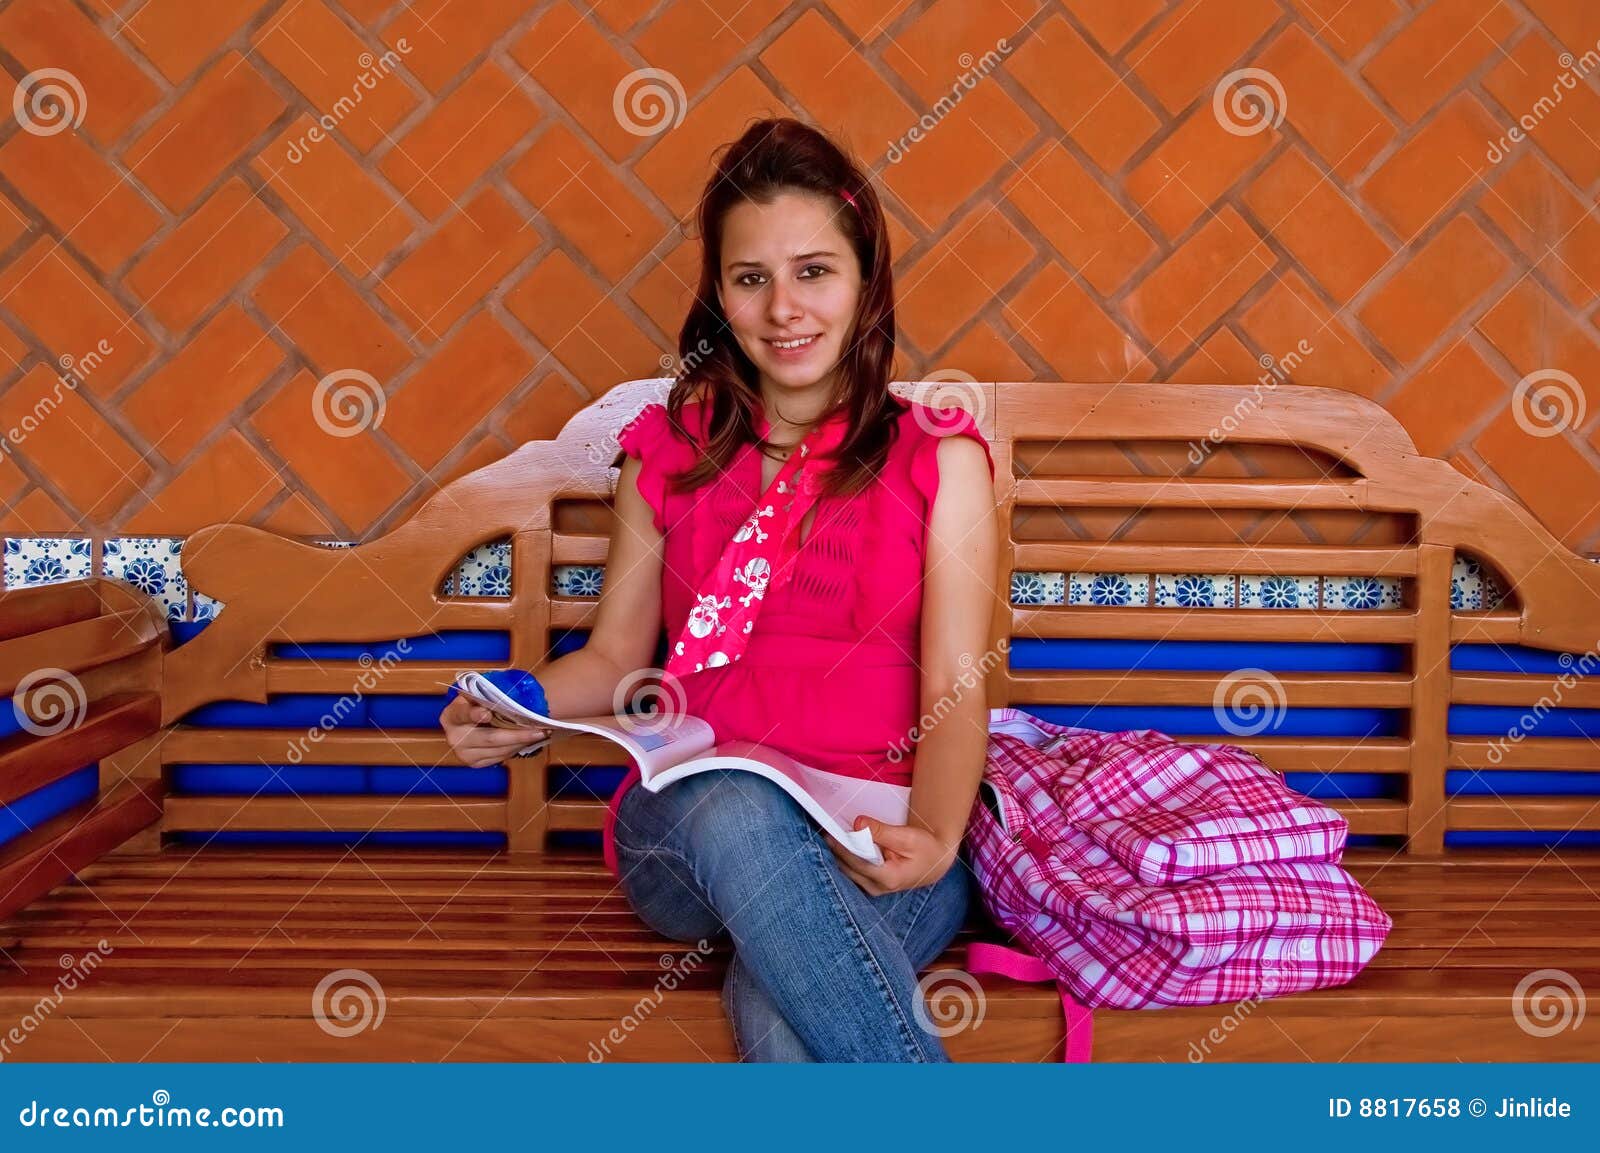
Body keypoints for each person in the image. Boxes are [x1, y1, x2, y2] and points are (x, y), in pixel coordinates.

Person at [441, 117, 999, 1061]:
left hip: (880, 831)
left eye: (814, 271)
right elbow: (614, 660)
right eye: (751, 279)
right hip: (691, 832)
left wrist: (940, 836)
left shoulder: (939, 458)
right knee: (737, 796)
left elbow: (955, 680)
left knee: (780, 1008)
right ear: (720, 296)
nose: (784, 309)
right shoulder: (668, 454)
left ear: (866, 280)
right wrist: (518, 701)